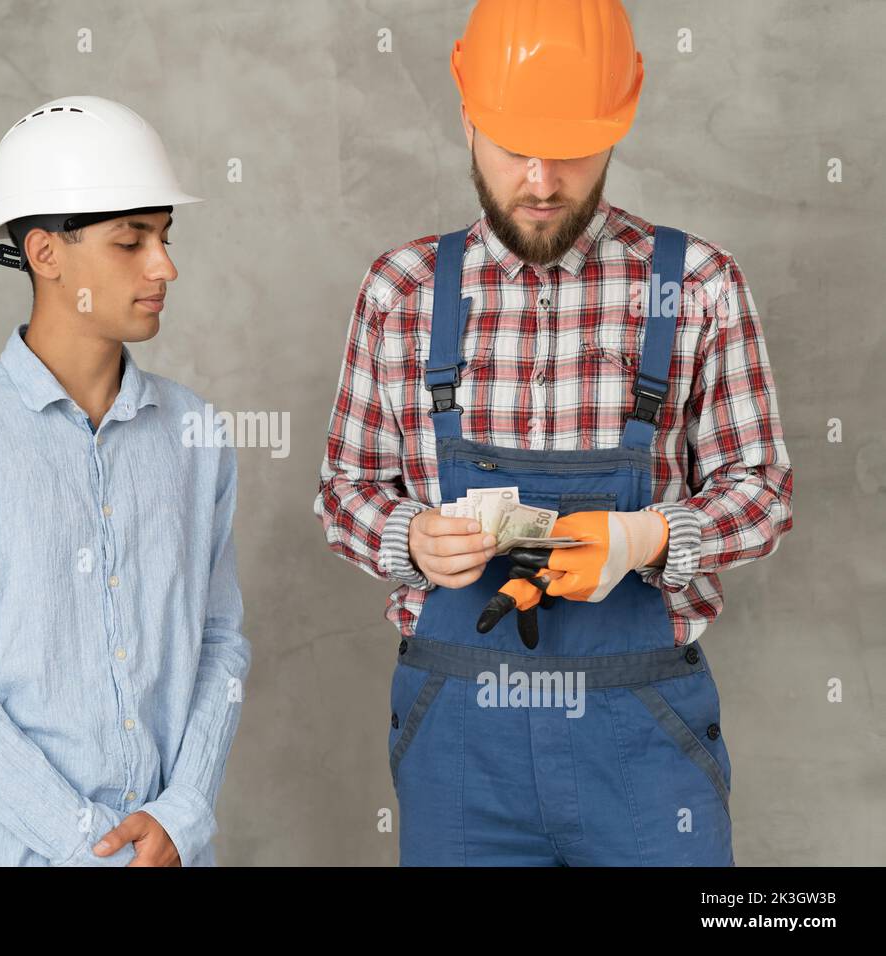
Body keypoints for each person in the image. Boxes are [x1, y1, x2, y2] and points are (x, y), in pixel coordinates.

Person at [313, 0, 793, 865]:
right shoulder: (402, 293)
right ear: (466, 114)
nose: (540, 181)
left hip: (643, 743)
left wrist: (655, 535)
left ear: (624, 117)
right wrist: (407, 536)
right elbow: (344, 491)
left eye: (570, 149)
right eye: (511, 147)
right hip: (460, 749)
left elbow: (763, 492)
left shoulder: (699, 286)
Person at [0, 95, 249, 866]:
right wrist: (89, 843)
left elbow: (220, 640)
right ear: (46, 254)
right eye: (130, 242)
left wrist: (181, 814)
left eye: (165, 238)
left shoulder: (195, 434)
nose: (165, 266)